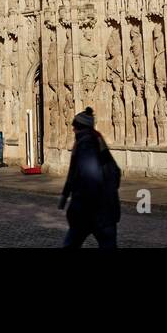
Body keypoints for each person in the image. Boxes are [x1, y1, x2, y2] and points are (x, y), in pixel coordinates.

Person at [58, 107, 122, 249]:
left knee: (71, 243)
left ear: (80, 127)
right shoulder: (98, 141)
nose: (73, 129)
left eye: (75, 126)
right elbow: (116, 173)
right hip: (106, 209)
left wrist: (78, 204)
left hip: (91, 211)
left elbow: (90, 176)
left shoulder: (86, 143)